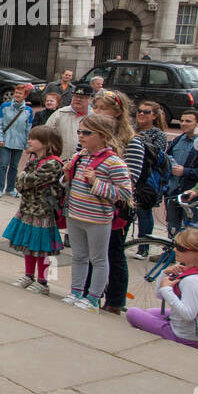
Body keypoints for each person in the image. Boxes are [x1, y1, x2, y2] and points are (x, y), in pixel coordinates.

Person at [61, 112, 133, 312]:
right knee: (78, 256)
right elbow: (70, 185)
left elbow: (125, 193)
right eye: (80, 132)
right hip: (75, 213)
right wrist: (66, 176)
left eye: (87, 132)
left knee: (99, 259)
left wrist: (96, 183)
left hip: (97, 218)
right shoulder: (80, 156)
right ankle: (76, 291)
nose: (81, 136)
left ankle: (93, 297)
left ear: (103, 136)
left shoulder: (114, 162)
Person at [90, 89, 142, 314]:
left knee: (113, 252)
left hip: (116, 209)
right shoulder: (94, 137)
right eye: (96, 107)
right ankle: (91, 293)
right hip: (91, 204)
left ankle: (115, 299)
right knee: (92, 253)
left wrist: (96, 182)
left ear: (117, 112)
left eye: (103, 108)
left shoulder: (132, 142)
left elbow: (129, 183)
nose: (98, 111)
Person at [125, 228, 198, 349]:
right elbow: (160, 295)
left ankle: (168, 328)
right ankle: (165, 323)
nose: (175, 250)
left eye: (181, 248)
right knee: (150, 312)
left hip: (188, 338)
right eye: (176, 245)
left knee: (132, 313)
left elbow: (188, 314)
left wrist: (167, 290)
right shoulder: (197, 271)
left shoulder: (192, 281)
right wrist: (164, 274)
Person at [3, 125, 66, 295]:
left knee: (45, 248)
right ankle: (29, 276)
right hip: (29, 209)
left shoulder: (53, 163)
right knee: (29, 245)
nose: (29, 141)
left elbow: (27, 181)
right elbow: (19, 183)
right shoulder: (34, 161)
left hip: (44, 211)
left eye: (33, 138)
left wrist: (23, 178)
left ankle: (45, 281)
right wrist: (23, 179)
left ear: (46, 143)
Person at [131, 99, 170, 259]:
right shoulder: (131, 129)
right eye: (139, 111)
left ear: (154, 116)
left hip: (147, 179)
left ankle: (144, 246)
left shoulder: (158, 134)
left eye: (146, 112)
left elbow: (154, 156)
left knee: (144, 212)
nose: (141, 114)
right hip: (131, 176)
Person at [0, 83, 33, 198]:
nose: (17, 95)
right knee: (3, 164)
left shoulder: (28, 110)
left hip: (19, 143)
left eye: (20, 93)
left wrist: (27, 143)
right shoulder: (4, 106)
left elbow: (28, 128)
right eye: (16, 93)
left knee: (14, 167)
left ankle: (10, 188)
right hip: (5, 141)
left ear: (25, 96)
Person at [47, 82, 92, 158]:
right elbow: (46, 134)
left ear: (90, 99)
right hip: (61, 160)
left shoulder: (94, 117)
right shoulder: (60, 113)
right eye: (75, 96)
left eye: (82, 97)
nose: (78, 99)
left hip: (85, 162)